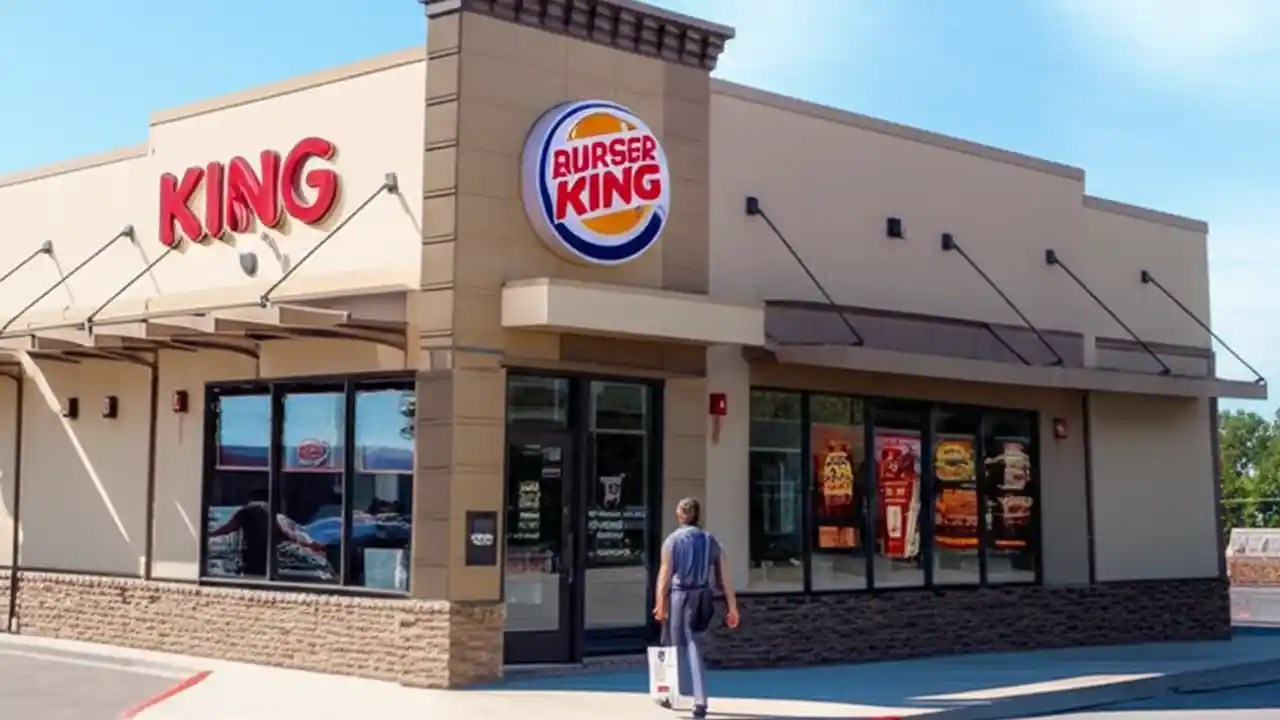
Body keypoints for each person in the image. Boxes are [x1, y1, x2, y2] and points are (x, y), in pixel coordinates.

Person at [653, 497, 740, 719]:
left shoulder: (672, 541)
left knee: (675, 644)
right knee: (695, 642)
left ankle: (673, 693)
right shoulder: (711, 540)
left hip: (681, 595)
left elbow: (665, 573)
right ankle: (698, 699)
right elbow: (725, 575)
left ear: (680, 514)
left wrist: (660, 602)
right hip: (704, 595)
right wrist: (732, 607)